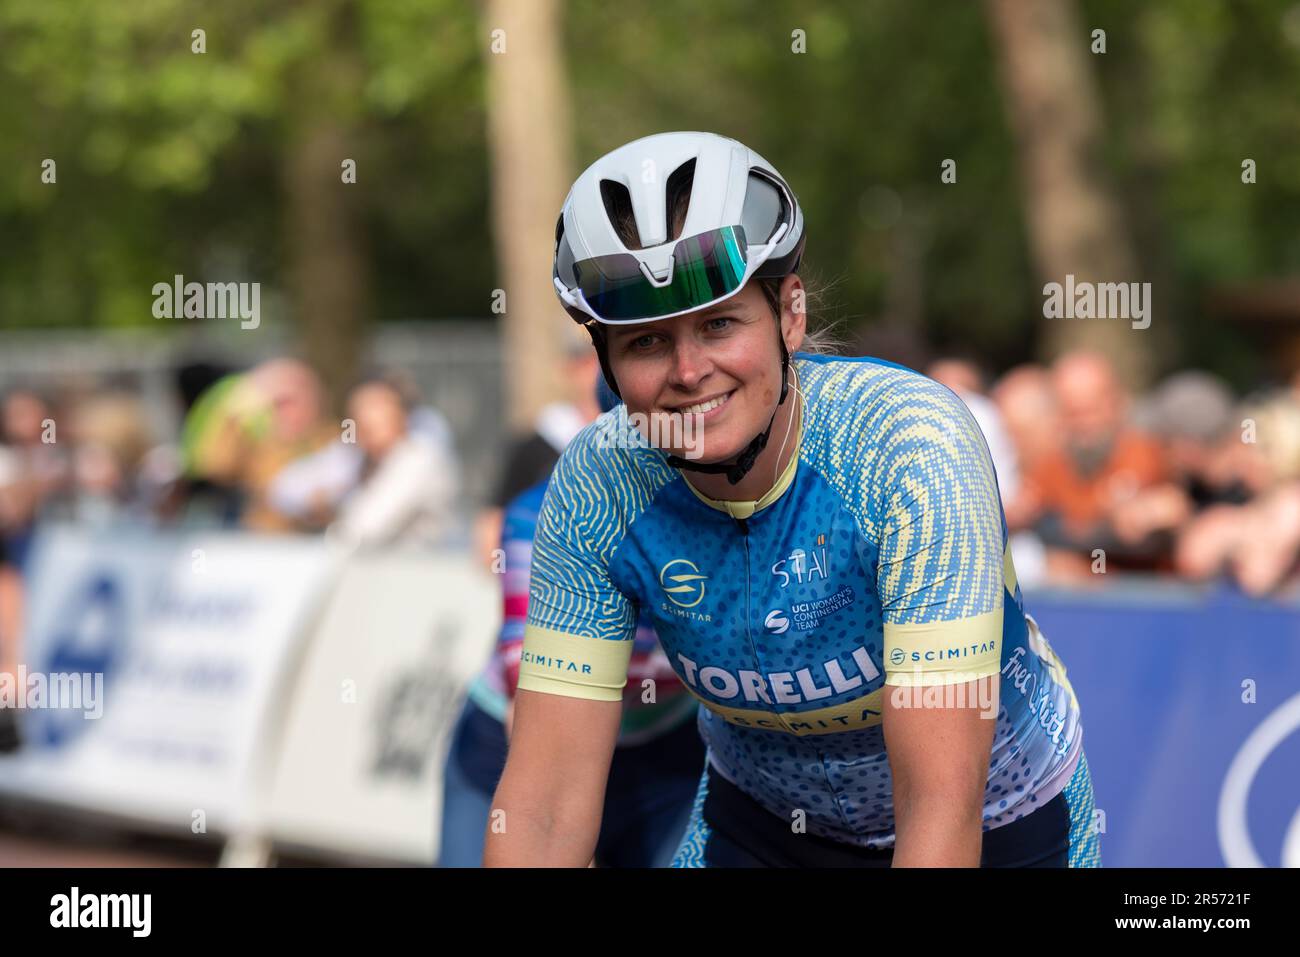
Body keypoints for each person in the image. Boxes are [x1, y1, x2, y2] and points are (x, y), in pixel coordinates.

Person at [484, 131, 1098, 868]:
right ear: (606, 363)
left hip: (997, 821)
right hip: (765, 827)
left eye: (718, 323)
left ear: (791, 314)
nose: (688, 371)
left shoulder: (907, 446)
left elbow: (941, 806)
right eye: (647, 340)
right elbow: (545, 808)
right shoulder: (599, 483)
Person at [440, 381, 703, 867]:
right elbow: (530, 683)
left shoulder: (716, 508)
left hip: (664, 749)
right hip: (513, 740)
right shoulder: (544, 509)